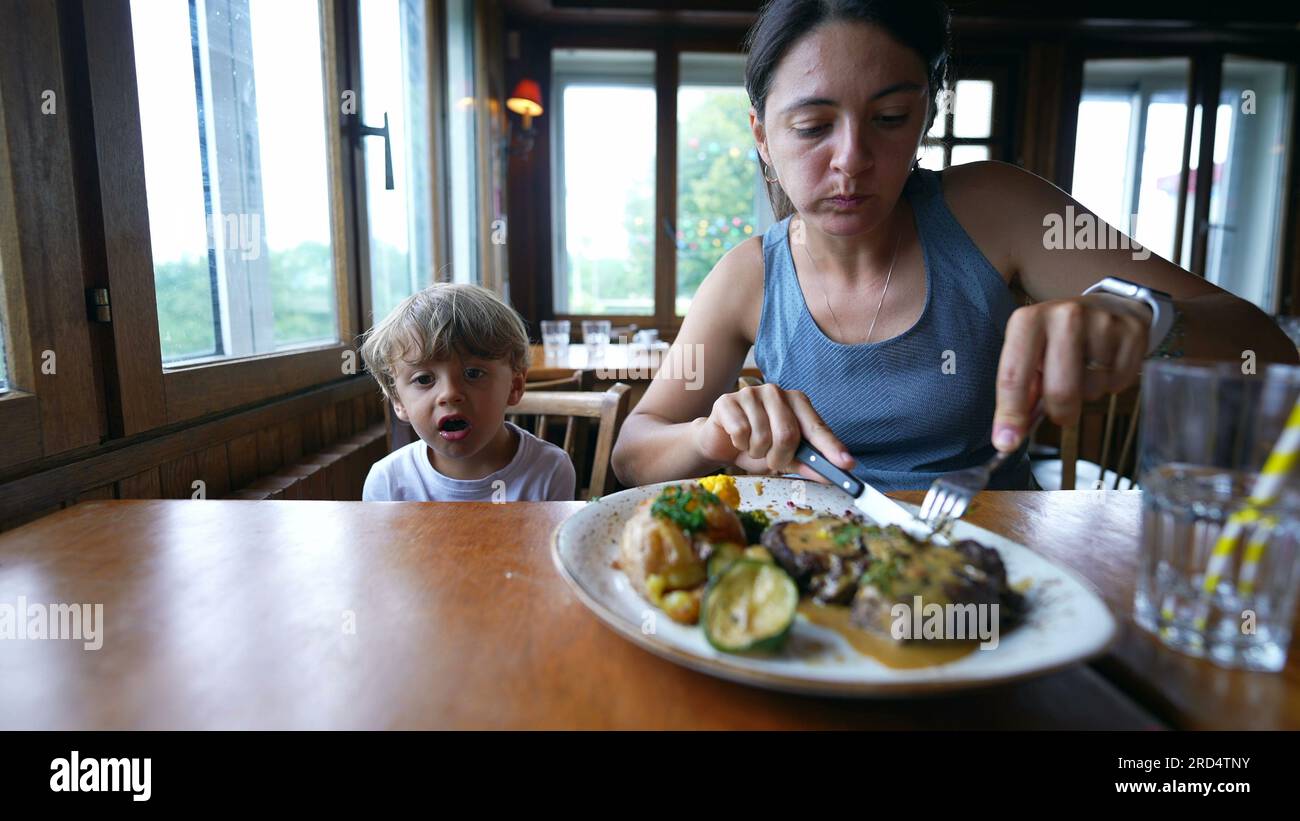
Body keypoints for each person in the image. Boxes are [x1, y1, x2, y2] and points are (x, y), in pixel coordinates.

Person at [612, 0, 1298, 492]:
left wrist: (1146, 315)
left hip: (997, 574)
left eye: (889, 118)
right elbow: (633, 450)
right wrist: (708, 436)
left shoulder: (994, 211)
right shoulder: (748, 277)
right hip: (817, 584)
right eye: (814, 125)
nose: (852, 160)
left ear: (929, 116)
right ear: (762, 134)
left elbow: (1265, 348)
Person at [359, 283, 576, 501]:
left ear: (515, 386)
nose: (449, 393)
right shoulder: (387, 482)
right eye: (424, 379)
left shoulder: (549, 469)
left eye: (473, 373)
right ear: (399, 401)